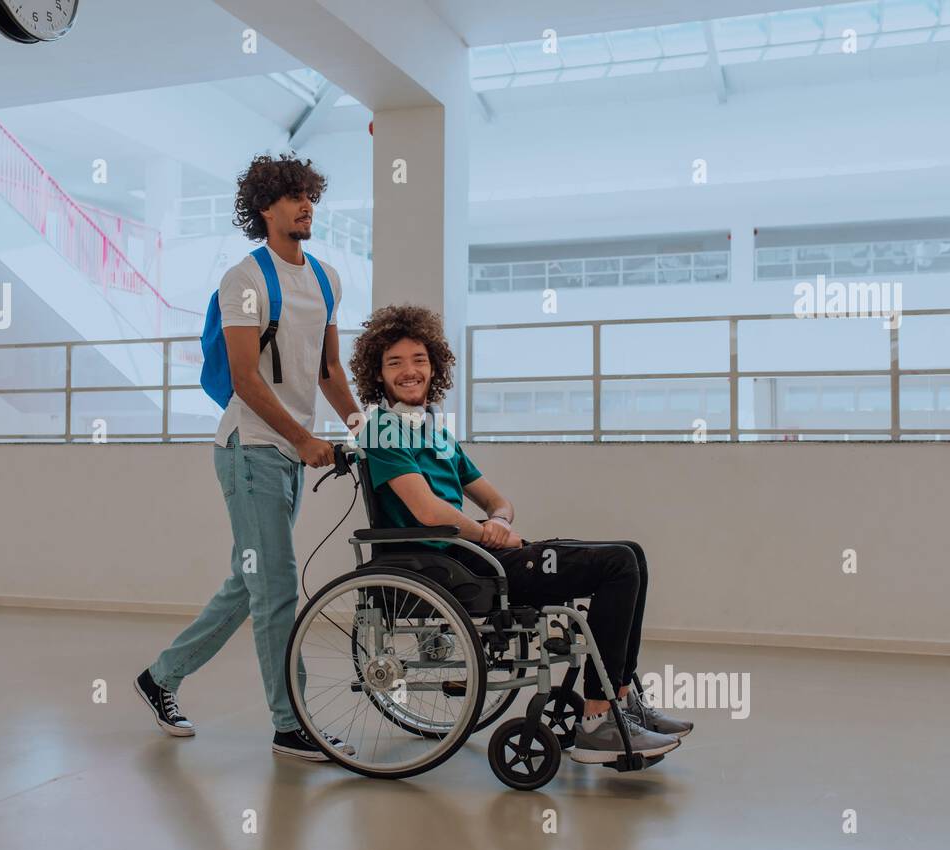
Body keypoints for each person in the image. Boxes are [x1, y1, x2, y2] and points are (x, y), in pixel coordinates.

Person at [349, 303, 693, 763]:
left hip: (477, 552)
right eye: (395, 363)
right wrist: (486, 536)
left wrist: (500, 524)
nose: (410, 371)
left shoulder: (436, 431)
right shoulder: (381, 429)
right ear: (378, 373)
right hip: (451, 565)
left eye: (419, 360)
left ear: (435, 367)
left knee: (631, 553)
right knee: (617, 565)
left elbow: (498, 501)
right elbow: (428, 511)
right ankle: (597, 721)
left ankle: (622, 698)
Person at [134, 154, 361, 760]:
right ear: (264, 208)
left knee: (249, 581)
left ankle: (160, 677)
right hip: (249, 449)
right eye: (292, 196)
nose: (305, 204)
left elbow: (329, 368)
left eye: (310, 194)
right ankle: (293, 724)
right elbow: (244, 380)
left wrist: (365, 425)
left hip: (287, 453)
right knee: (277, 586)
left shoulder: (327, 279)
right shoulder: (245, 280)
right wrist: (304, 439)